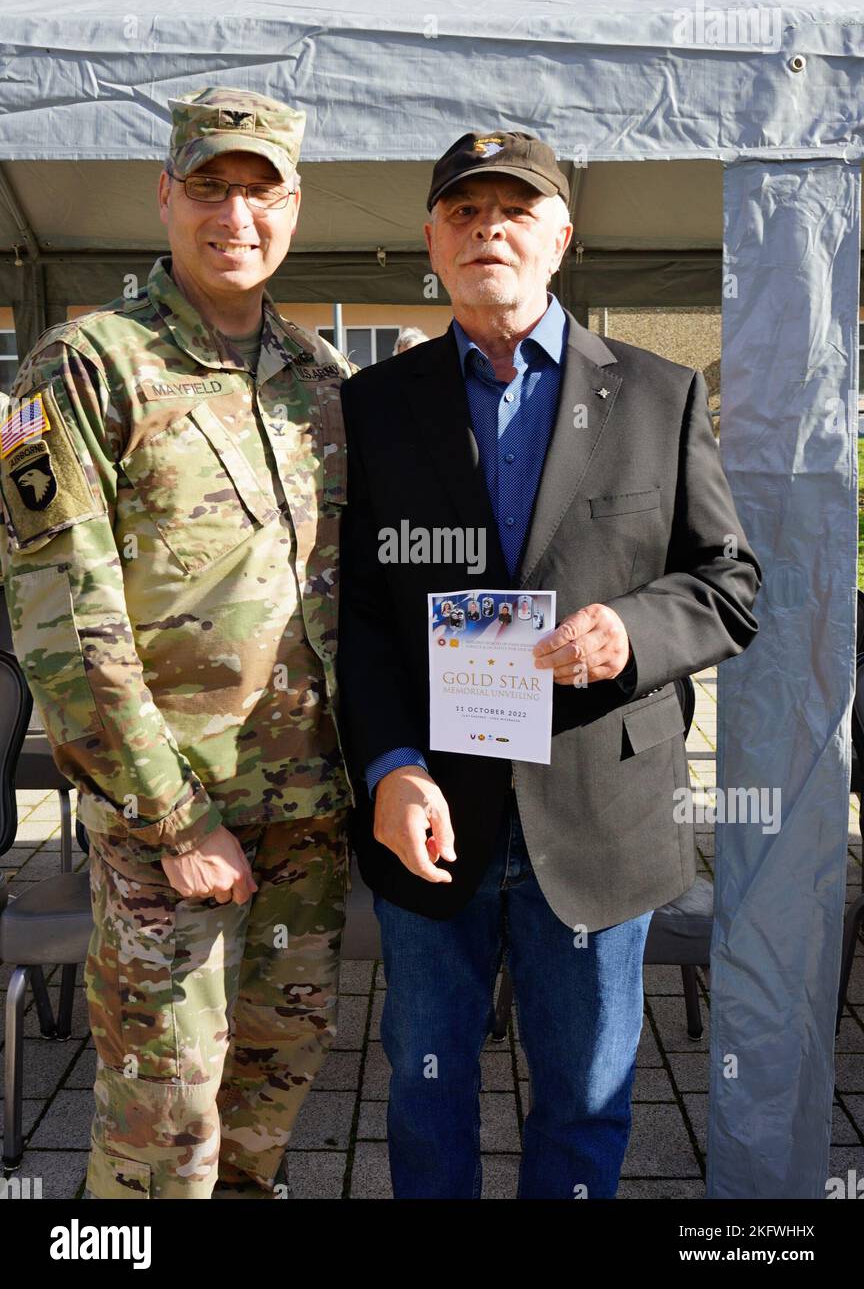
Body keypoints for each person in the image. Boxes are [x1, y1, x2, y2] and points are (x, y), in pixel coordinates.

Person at [337, 129, 761, 1199]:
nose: (490, 229)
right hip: (431, 813)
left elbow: (728, 582)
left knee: (584, 1095)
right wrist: (389, 764)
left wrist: (632, 632)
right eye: (465, 211)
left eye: (515, 210)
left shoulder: (661, 396)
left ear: (560, 238)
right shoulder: (378, 408)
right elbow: (364, 622)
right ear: (432, 240)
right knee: (426, 1088)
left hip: (599, 813)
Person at [0, 86, 355, 1199]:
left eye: (260, 191)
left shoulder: (320, 381)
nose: (235, 214)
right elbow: (64, 624)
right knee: (164, 1135)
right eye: (211, 187)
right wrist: (174, 818)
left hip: (310, 815)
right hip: (172, 824)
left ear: (294, 208)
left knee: (266, 1110)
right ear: (165, 195)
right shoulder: (83, 365)